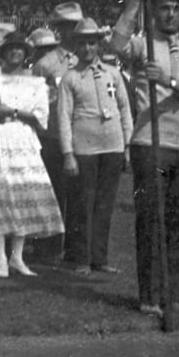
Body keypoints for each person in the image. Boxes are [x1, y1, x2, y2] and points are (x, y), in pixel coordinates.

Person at [110, 0, 179, 330]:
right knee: (151, 220)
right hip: (150, 143)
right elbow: (114, 44)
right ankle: (150, 295)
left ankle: (175, 294)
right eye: (163, 7)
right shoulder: (140, 45)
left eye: (175, 8)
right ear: (153, 13)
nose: (169, 14)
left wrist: (167, 80)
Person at [0, 31, 63, 278]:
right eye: (11, 48)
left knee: (22, 194)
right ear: (3, 52)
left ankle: (17, 257)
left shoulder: (35, 82)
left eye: (20, 49)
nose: (15, 52)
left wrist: (11, 110)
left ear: (26, 53)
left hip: (23, 139)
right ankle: (1, 257)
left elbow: (40, 117)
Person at [57, 18, 132, 275]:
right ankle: (82, 258)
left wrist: (127, 145)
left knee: (104, 204)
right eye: (83, 43)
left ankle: (100, 258)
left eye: (92, 43)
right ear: (76, 46)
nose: (88, 48)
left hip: (112, 146)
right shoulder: (70, 77)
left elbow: (124, 109)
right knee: (83, 204)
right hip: (84, 149)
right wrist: (68, 154)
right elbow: (64, 118)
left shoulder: (113, 73)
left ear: (99, 44)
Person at [31, 2, 84, 265]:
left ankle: (75, 250)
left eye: (76, 25)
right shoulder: (45, 64)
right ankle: (49, 248)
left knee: (79, 197)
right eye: (68, 26)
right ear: (59, 29)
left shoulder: (85, 60)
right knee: (53, 194)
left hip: (82, 137)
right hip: (52, 136)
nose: (73, 31)